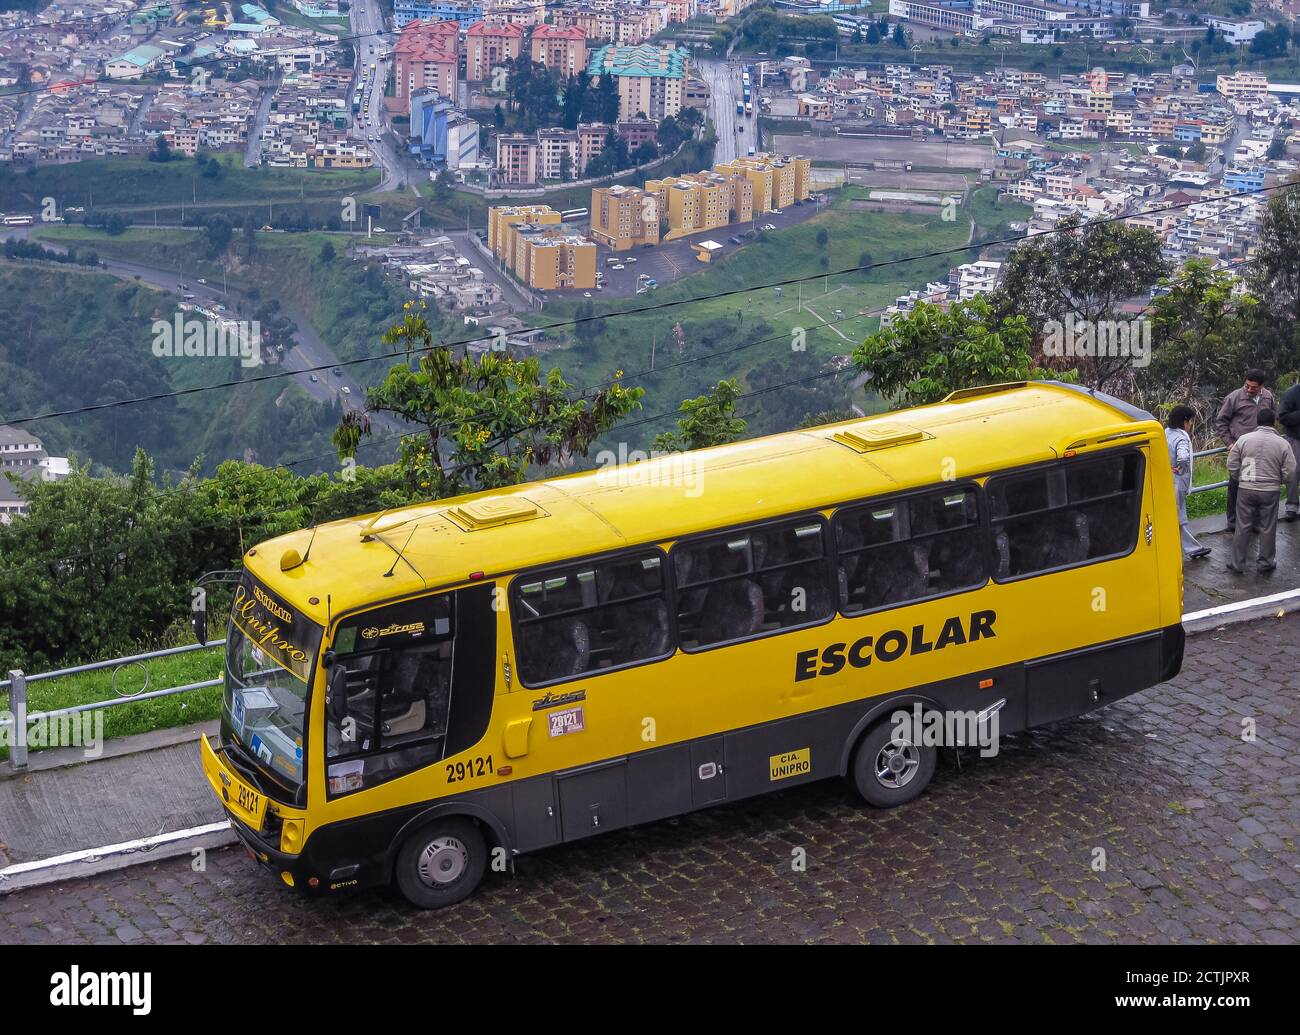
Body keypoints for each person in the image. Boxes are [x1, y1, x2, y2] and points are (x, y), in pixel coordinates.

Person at [1226, 408, 1296, 574]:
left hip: (1246, 488)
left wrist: (1239, 477)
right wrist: (1280, 480)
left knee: (1242, 526)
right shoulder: (1282, 443)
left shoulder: (1244, 439)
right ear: (1274, 423)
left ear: (1258, 421)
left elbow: (1232, 463)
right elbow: (1291, 469)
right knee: (1267, 527)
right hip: (1270, 490)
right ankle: (1265, 562)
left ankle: (1237, 563)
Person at [1214, 370, 1276, 531]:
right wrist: (1229, 444)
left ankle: (1254, 521)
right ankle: (1233, 521)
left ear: (1261, 387)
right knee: (1236, 485)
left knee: (1256, 486)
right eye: (1247, 386)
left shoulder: (1268, 397)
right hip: (1241, 450)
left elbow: (1272, 417)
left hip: (1262, 450)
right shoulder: (1234, 397)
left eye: (1253, 388)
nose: (1249, 390)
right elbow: (1221, 422)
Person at [1165, 406, 1210, 559]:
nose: (1190, 425)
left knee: (1177, 515)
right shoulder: (1181, 437)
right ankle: (1192, 549)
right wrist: (1179, 467)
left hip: (1166, 480)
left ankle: (1191, 548)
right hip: (1177, 482)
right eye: (1190, 421)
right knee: (1178, 517)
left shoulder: (1165, 433)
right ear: (1184, 421)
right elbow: (1183, 457)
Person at [1278, 378, 1300, 522]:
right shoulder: (1291, 393)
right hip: (1295, 439)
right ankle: (1291, 507)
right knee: (1293, 472)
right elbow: (1281, 416)